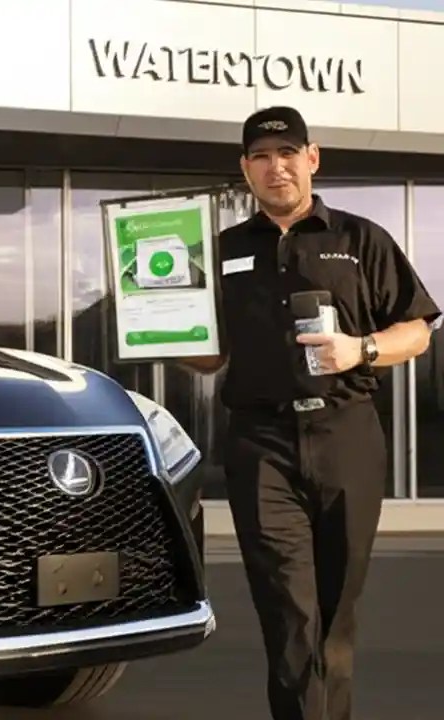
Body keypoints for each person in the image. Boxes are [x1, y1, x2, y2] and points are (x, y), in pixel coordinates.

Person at [180, 106, 441, 720]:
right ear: (245, 169)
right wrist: (159, 334)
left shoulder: (361, 239)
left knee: (335, 613)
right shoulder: (221, 252)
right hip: (261, 443)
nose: (277, 168)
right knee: (289, 612)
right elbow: (211, 357)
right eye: (262, 157)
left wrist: (362, 348)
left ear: (312, 158)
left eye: (288, 153)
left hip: (347, 434)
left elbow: (418, 331)